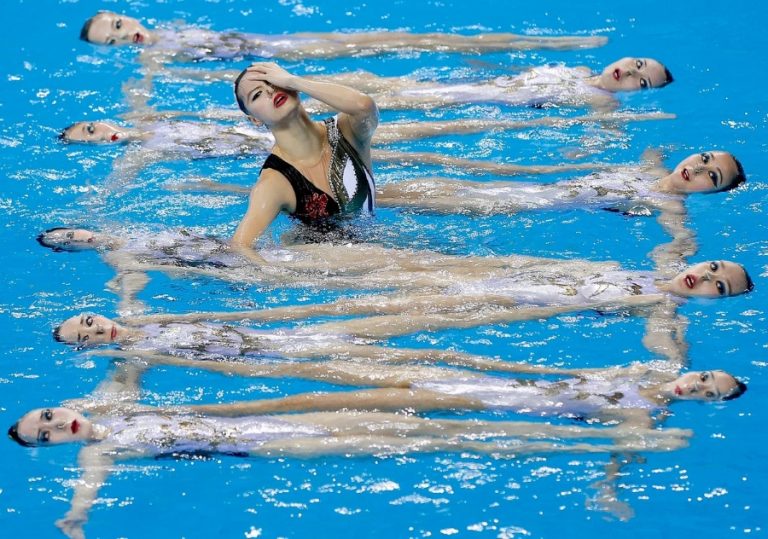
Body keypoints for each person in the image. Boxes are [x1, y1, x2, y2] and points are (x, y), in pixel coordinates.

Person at [231, 62, 379, 252]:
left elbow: (364, 106)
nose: (270, 91)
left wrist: (294, 81)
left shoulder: (347, 131)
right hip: (326, 264)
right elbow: (240, 246)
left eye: (273, 81)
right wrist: (280, 277)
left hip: (372, 249)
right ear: (254, 119)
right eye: (257, 94)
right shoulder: (275, 182)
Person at [79, 11, 609, 63]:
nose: (126, 38)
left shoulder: (171, 29)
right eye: (114, 43)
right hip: (275, 55)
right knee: (399, 43)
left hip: (278, 43)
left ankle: (547, 45)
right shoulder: (154, 60)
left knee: (401, 37)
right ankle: (562, 48)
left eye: (120, 27)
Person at [376, 150, 747, 215]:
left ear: (713, 194)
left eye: (711, 178)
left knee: (413, 201)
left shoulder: (670, 207)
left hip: (522, 205)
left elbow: (676, 250)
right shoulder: (648, 171)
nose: (697, 171)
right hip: (524, 191)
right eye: (703, 160)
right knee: (426, 185)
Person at [303, 58, 673, 113]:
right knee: (374, 83)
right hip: (476, 83)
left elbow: (596, 133)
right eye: (637, 64)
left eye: (641, 82)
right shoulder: (578, 70)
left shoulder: (602, 103)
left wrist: (577, 154)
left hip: (472, 100)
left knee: (384, 100)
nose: (629, 74)